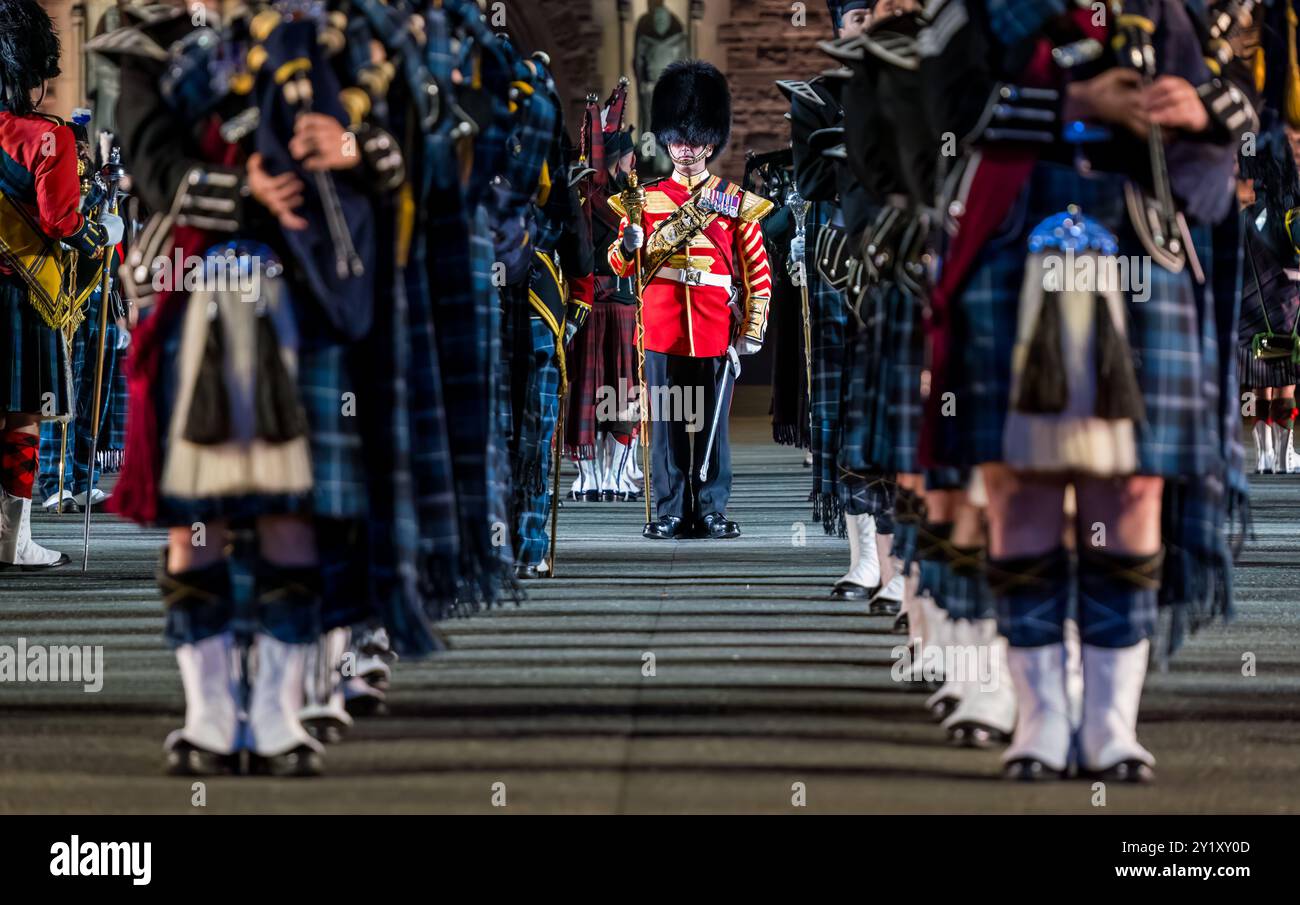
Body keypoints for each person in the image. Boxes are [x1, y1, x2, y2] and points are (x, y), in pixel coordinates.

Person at [919, 0, 1237, 781]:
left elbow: (1238, 102)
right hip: (1016, 230)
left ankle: (1109, 722)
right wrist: (1074, 102)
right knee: (1020, 482)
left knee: (1131, 486)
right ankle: (1041, 715)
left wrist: (1199, 107)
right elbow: (936, 111)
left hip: (1136, 235)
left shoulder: (1164, 7)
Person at [609, 60, 774, 540]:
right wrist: (629, 245)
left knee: (712, 427)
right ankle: (670, 508)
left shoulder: (732, 202)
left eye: (696, 141)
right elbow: (622, 269)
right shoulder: (644, 200)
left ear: (710, 142)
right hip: (661, 326)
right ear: (667, 139)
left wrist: (751, 331)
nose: (687, 149)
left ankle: (710, 507)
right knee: (667, 425)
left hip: (713, 327)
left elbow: (756, 273)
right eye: (679, 139)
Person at [0, 0, 120, 570]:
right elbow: (60, 223)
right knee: (22, 416)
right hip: (23, 297)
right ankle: (13, 541)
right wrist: (103, 230)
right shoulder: (49, 138)